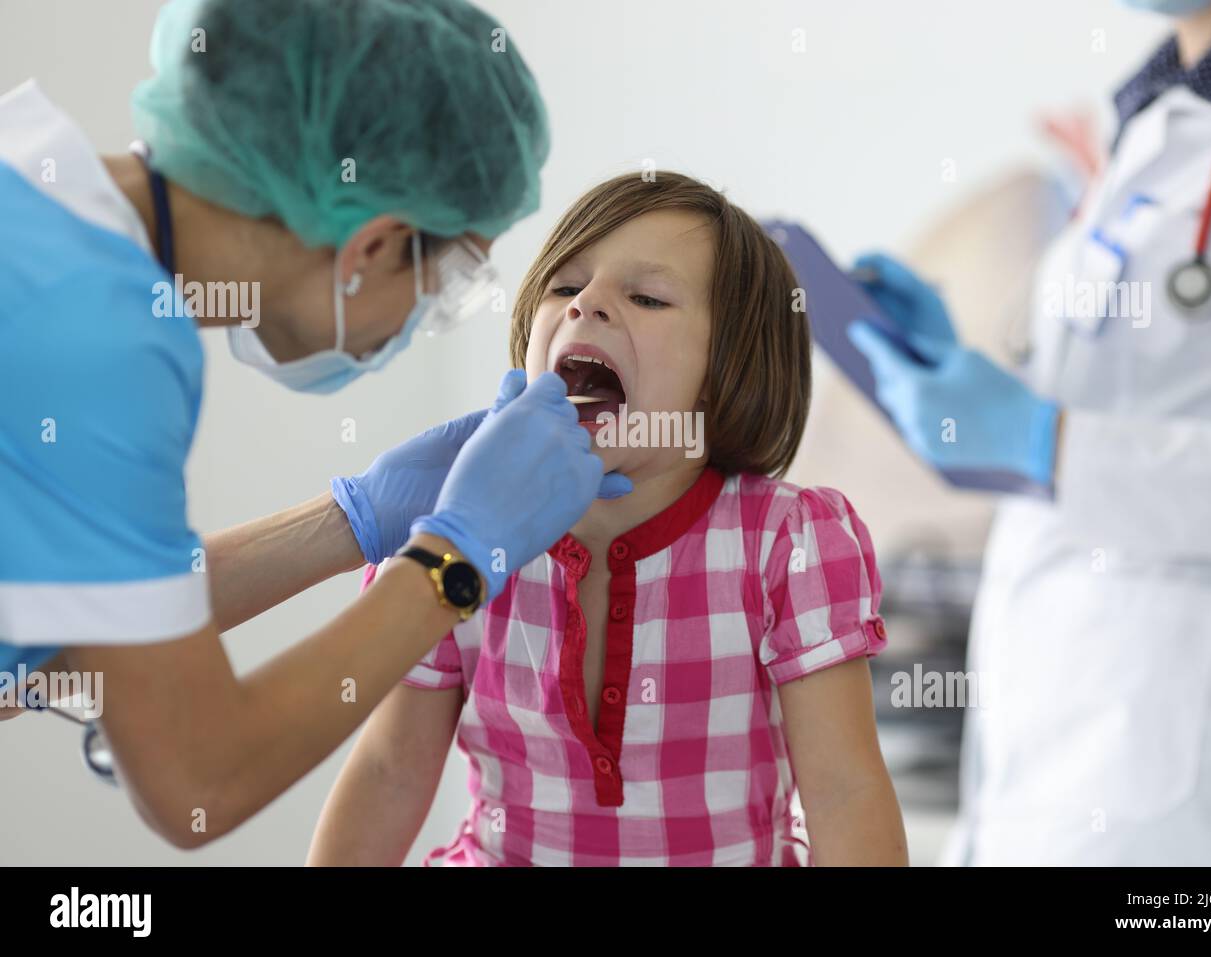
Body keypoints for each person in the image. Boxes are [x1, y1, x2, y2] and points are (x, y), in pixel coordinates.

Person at [0, 0, 631, 848]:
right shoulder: (98, 340)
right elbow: (200, 777)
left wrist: (354, 519)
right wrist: (453, 560)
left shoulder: (36, 219)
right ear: (373, 245)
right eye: (444, 286)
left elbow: (69, 636)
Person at [306, 173, 908, 866]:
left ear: (732, 366)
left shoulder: (784, 544)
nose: (586, 304)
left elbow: (844, 792)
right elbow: (390, 771)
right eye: (564, 288)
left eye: (647, 296)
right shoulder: (454, 539)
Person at [848, 0, 1211, 864]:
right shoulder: (1163, 114)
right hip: (1060, 770)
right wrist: (969, 375)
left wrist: (1043, 444)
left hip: (1198, 814)